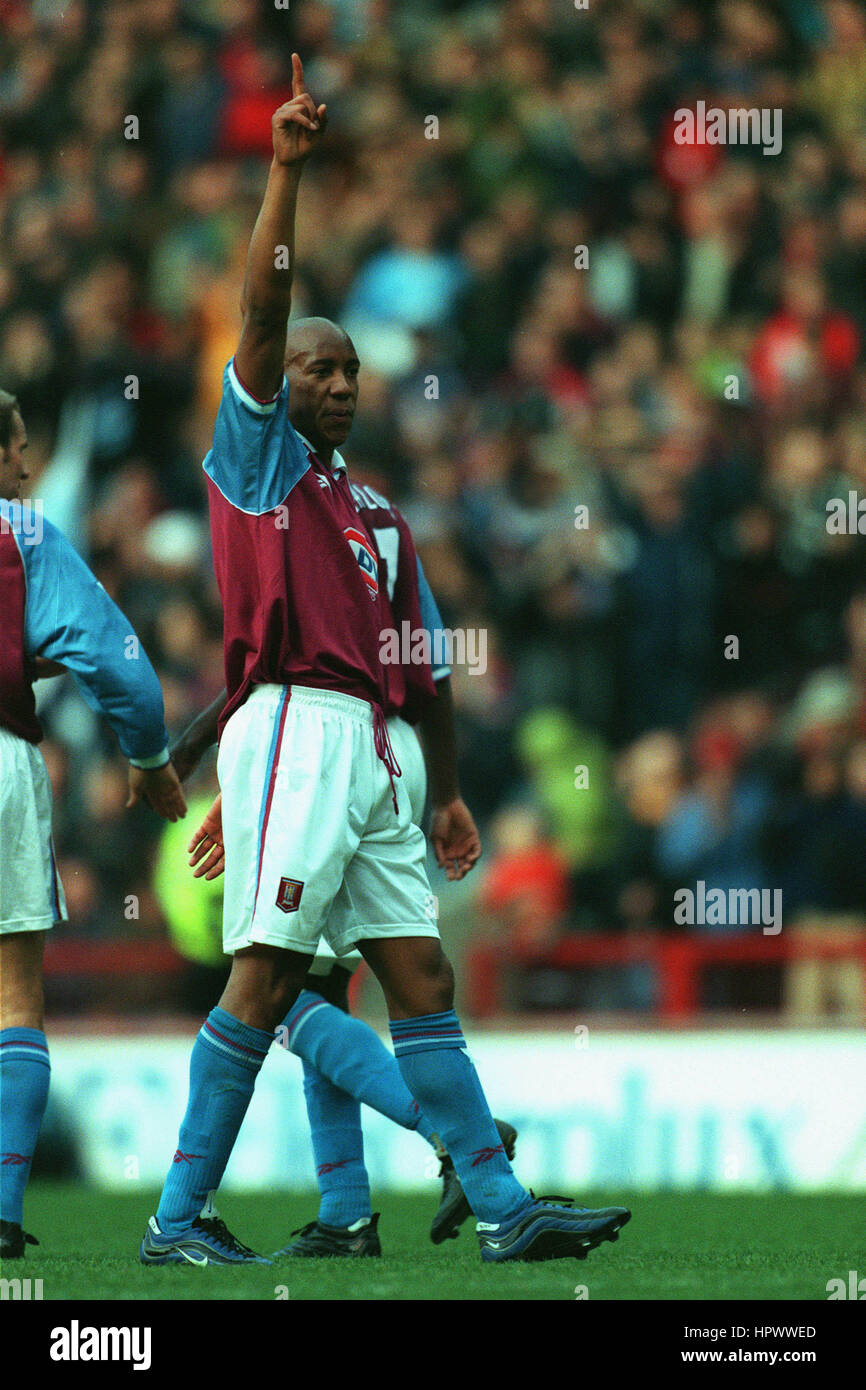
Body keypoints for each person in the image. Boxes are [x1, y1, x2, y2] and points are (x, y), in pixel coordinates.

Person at [140, 56, 630, 1267]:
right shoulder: (256, 465)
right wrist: (285, 170)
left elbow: (421, 664)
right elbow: (261, 312)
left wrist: (449, 785)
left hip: (375, 749)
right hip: (297, 733)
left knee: (417, 966)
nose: (340, 385)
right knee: (266, 976)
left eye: (351, 371)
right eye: (318, 369)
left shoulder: (375, 512)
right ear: (278, 382)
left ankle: (503, 1209)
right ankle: (174, 1219)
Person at [166, 469, 515, 1254]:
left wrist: (200, 752)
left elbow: (276, 658)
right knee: (319, 989)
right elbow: (430, 660)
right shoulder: (380, 518)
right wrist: (447, 791)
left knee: (279, 992)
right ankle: (346, 1212)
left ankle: (454, 1137)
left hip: (323, 749)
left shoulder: (284, 509)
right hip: (380, 746)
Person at [0, 389, 187, 1259]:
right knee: (14, 998)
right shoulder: (27, 535)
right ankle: (3, 1213)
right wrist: (147, 757)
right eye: (18, 449)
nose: (29, 466)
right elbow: (117, 661)